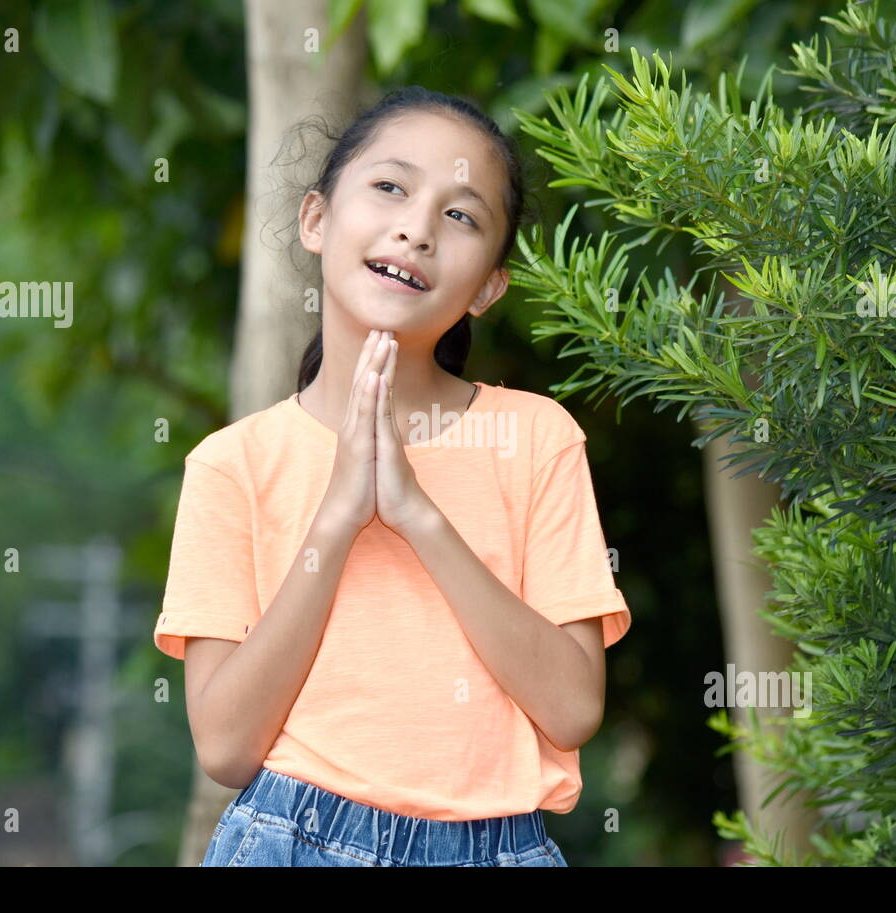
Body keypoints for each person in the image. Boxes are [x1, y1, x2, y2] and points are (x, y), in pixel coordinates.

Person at [153, 86, 631, 866]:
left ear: (486, 287)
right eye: (390, 187)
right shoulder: (231, 466)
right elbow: (227, 748)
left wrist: (418, 514)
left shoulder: (539, 439)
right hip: (288, 839)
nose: (416, 229)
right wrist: (339, 517)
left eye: (461, 215)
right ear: (317, 219)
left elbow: (574, 707)